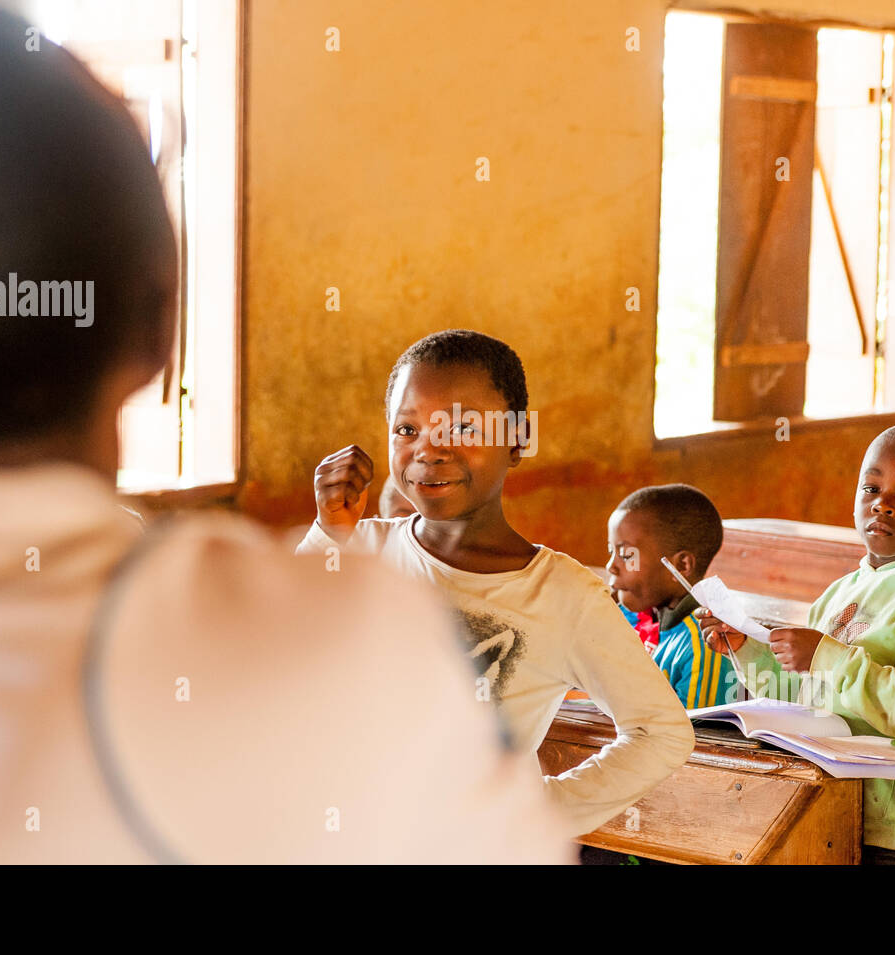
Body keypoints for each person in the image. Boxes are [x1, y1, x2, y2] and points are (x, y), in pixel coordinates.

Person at [0, 4, 568, 864]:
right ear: (158, 330)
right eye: (410, 427)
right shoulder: (343, 647)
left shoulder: (487, 597)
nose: (428, 452)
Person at [297, 330, 695, 839]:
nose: (428, 450)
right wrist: (327, 534)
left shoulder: (561, 595)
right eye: (406, 429)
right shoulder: (360, 549)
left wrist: (535, 816)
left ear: (518, 439)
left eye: (461, 427)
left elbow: (659, 733)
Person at [702, 424, 895, 864]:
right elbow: (801, 698)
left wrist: (828, 657)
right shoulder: (838, 594)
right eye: (871, 487)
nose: (883, 503)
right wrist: (747, 650)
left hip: (892, 823)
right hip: (822, 800)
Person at [606, 484, 732, 708]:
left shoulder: (705, 645)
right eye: (610, 551)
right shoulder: (625, 618)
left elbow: (698, 738)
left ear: (681, 565)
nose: (610, 567)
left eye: (626, 555)